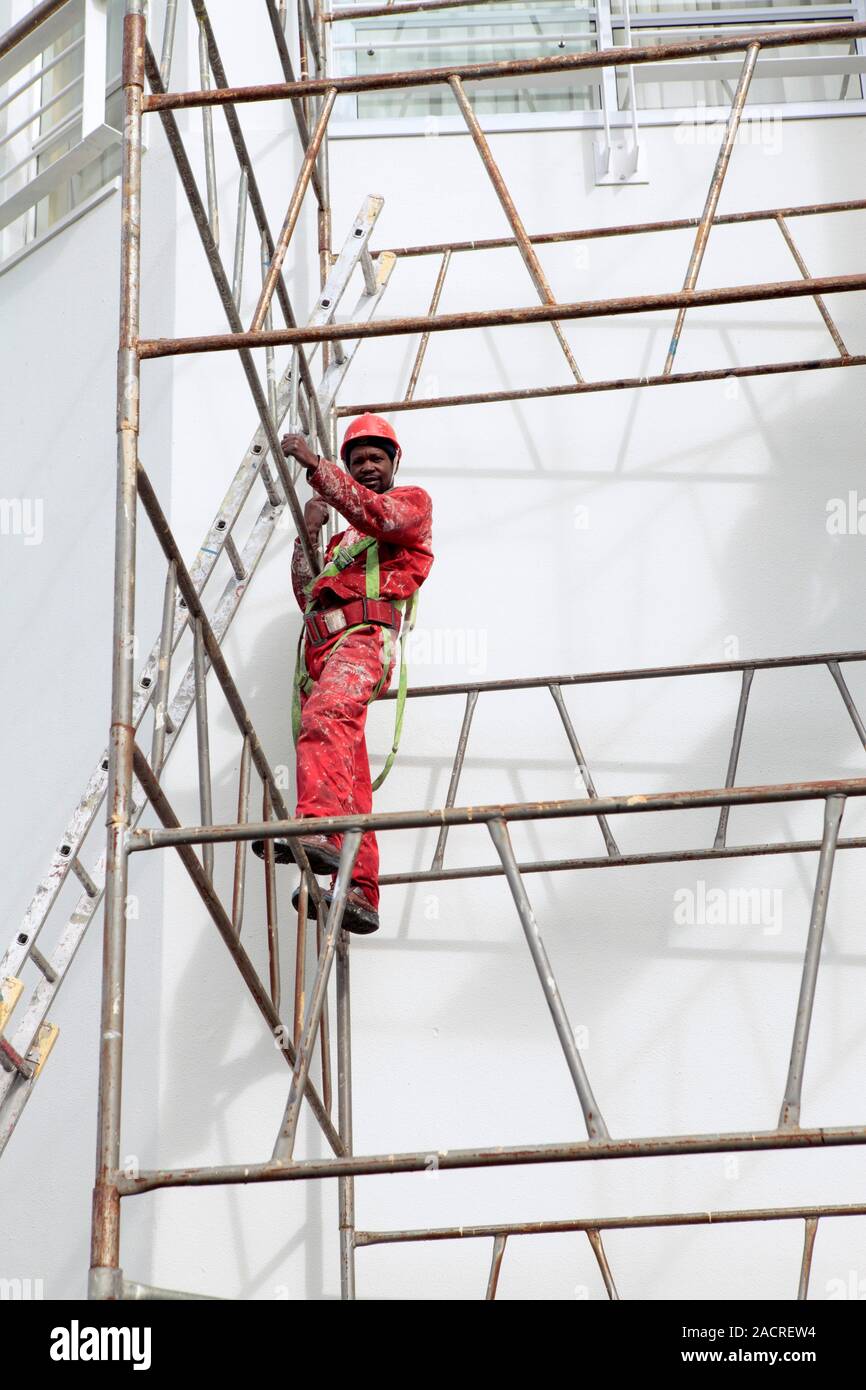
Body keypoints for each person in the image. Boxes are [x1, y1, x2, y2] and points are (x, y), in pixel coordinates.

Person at [252, 413, 434, 933]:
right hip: (328, 650)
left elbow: (381, 515)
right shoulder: (342, 545)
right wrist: (308, 535)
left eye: (377, 459)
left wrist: (318, 468)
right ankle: (359, 888)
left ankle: (320, 829)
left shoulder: (410, 507)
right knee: (349, 774)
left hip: (363, 642)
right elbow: (309, 595)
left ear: (395, 464)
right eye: (358, 461)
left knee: (326, 715)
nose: (368, 467)